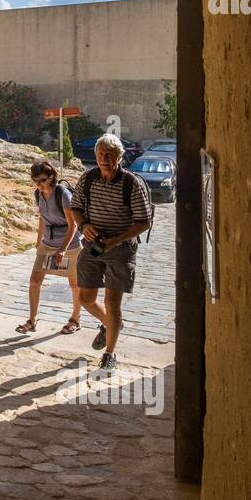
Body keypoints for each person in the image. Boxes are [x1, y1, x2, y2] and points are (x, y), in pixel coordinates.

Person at [71, 133, 153, 374]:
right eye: (100, 154)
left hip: (121, 249)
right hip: (93, 246)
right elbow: (75, 207)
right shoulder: (87, 179)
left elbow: (143, 221)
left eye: (109, 155)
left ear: (120, 157)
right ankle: (110, 325)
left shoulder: (131, 183)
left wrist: (115, 240)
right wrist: (84, 226)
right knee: (85, 298)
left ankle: (109, 354)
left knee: (112, 302)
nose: (104, 158)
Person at [16, 160, 83, 335]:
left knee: (74, 284)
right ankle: (32, 320)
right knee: (34, 281)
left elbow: (73, 225)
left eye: (43, 180)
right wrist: (39, 241)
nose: (39, 184)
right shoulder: (38, 194)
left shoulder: (62, 195)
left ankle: (75, 319)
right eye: (35, 180)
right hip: (48, 243)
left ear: (52, 177)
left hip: (69, 244)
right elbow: (42, 217)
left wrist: (62, 249)